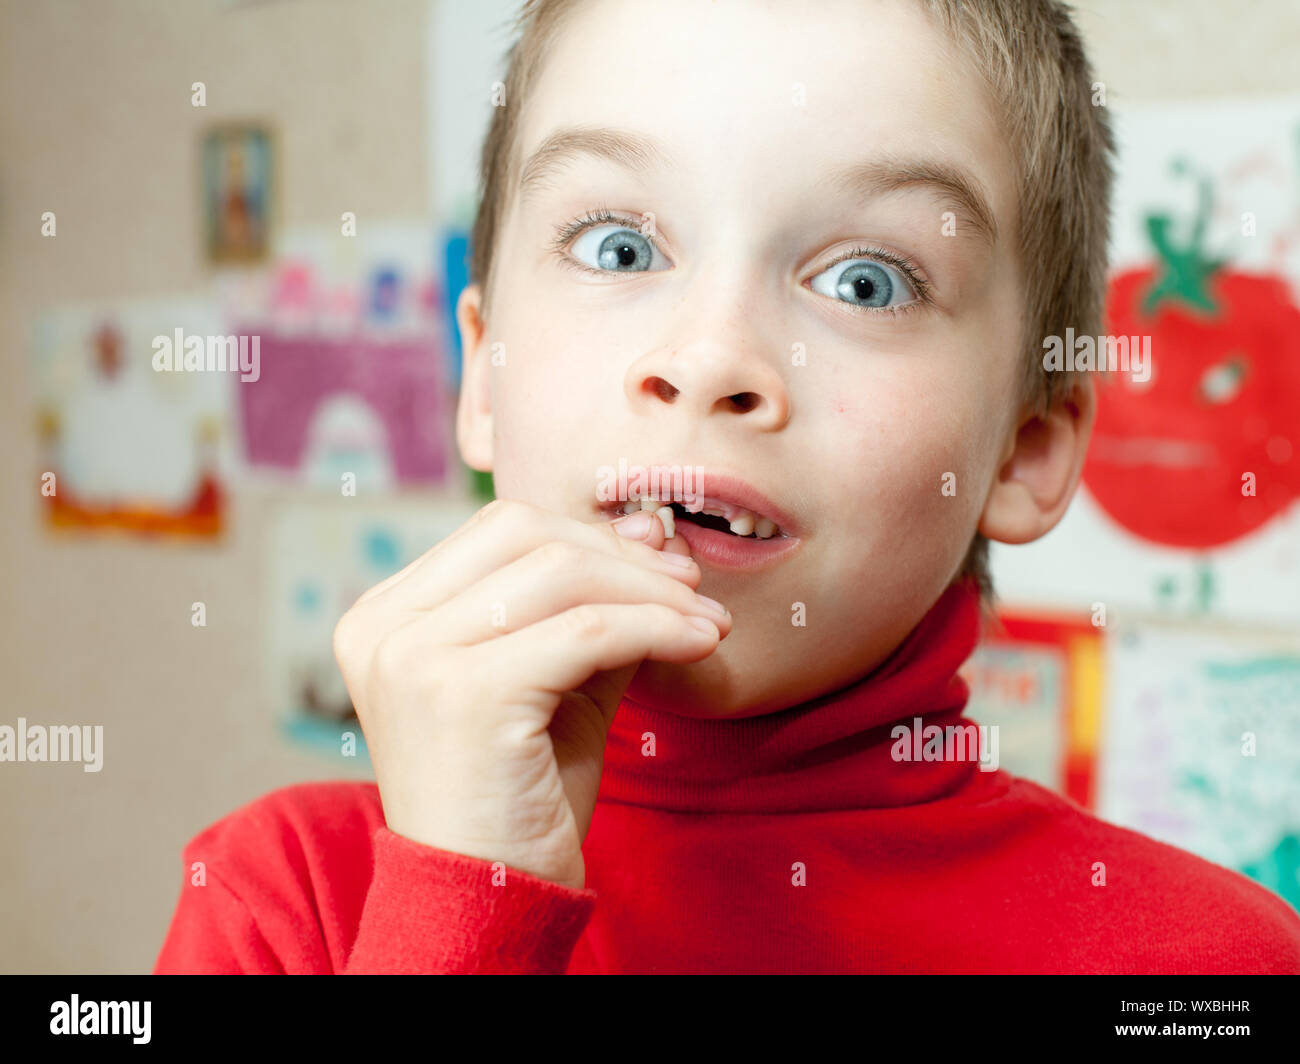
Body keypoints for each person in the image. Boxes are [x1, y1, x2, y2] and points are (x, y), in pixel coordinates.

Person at [155, 0, 1300, 974]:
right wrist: (459, 908)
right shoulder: (289, 905)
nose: (707, 357)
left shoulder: (1207, 963)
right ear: (483, 373)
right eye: (617, 247)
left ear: (1026, 449)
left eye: (865, 280)